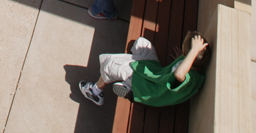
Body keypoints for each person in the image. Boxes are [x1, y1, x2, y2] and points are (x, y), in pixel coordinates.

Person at [79, 31, 210, 107]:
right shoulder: (193, 64)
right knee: (142, 43)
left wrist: (191, 52)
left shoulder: (188, 77)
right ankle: (127, 85)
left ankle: (95, 92)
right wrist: (184, 57)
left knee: (111, 66)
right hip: (158, 74)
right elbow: (180, 70)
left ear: (188, 55)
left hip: (149, 87)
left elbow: (179, 75)